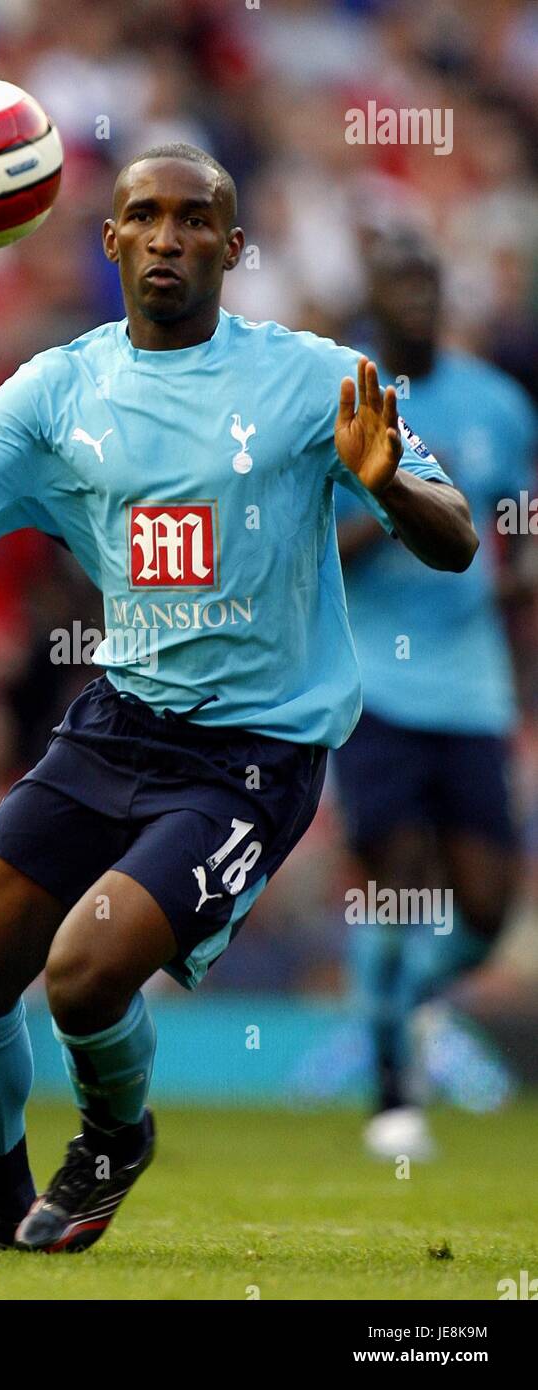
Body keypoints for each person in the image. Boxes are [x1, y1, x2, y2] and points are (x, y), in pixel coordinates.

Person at [0, 145, 478, 1253]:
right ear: (107, 240)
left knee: (85, 969)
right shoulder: (56, 389)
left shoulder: (312, 378)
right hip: (119, 721)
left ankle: (112, 1137)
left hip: (253, 754)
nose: (167, 236)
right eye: (143, 216)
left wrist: (386, 479)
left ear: (232, 249)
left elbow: (455, 540)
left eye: (194, 220)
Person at [334, 229, 536, 1159]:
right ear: (374, 303)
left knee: (486, 911)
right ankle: (389, 1091)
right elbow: (309, 548)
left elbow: (517, 522)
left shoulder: (497, 404)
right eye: (396, 291)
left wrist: (518, 576)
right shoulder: (348, 404)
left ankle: (404, 999)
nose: (413, 305)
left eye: (426, 287)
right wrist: (394, 502)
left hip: (471, 682)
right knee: (400, 884)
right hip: (373, 677)